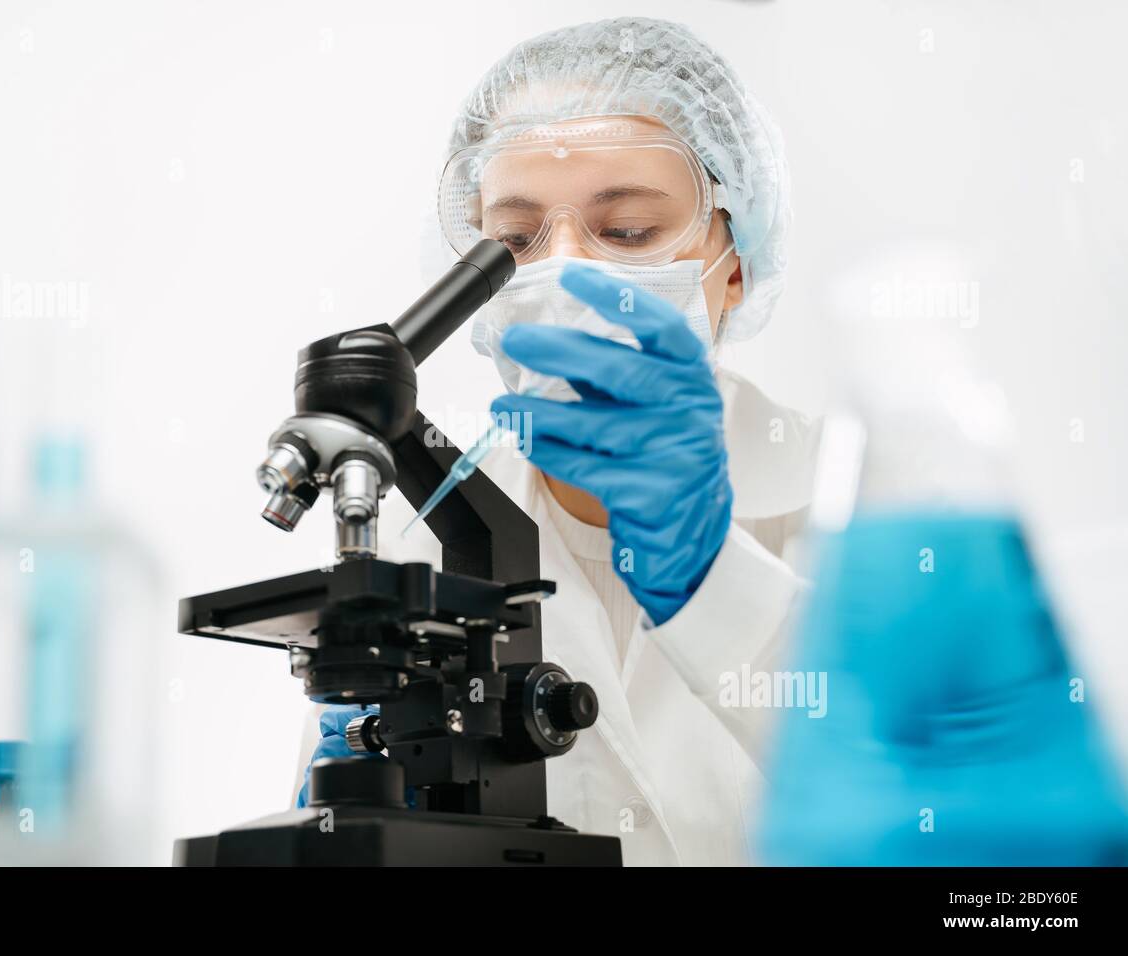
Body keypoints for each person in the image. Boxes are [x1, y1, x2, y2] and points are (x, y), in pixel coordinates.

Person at [294, 16, 819, 866]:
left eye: (628, 231)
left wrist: (717, 585)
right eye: (515, 243)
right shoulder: (425, 539)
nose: (562, 276)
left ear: (734, 265)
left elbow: (975, 837)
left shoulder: (867, 504)